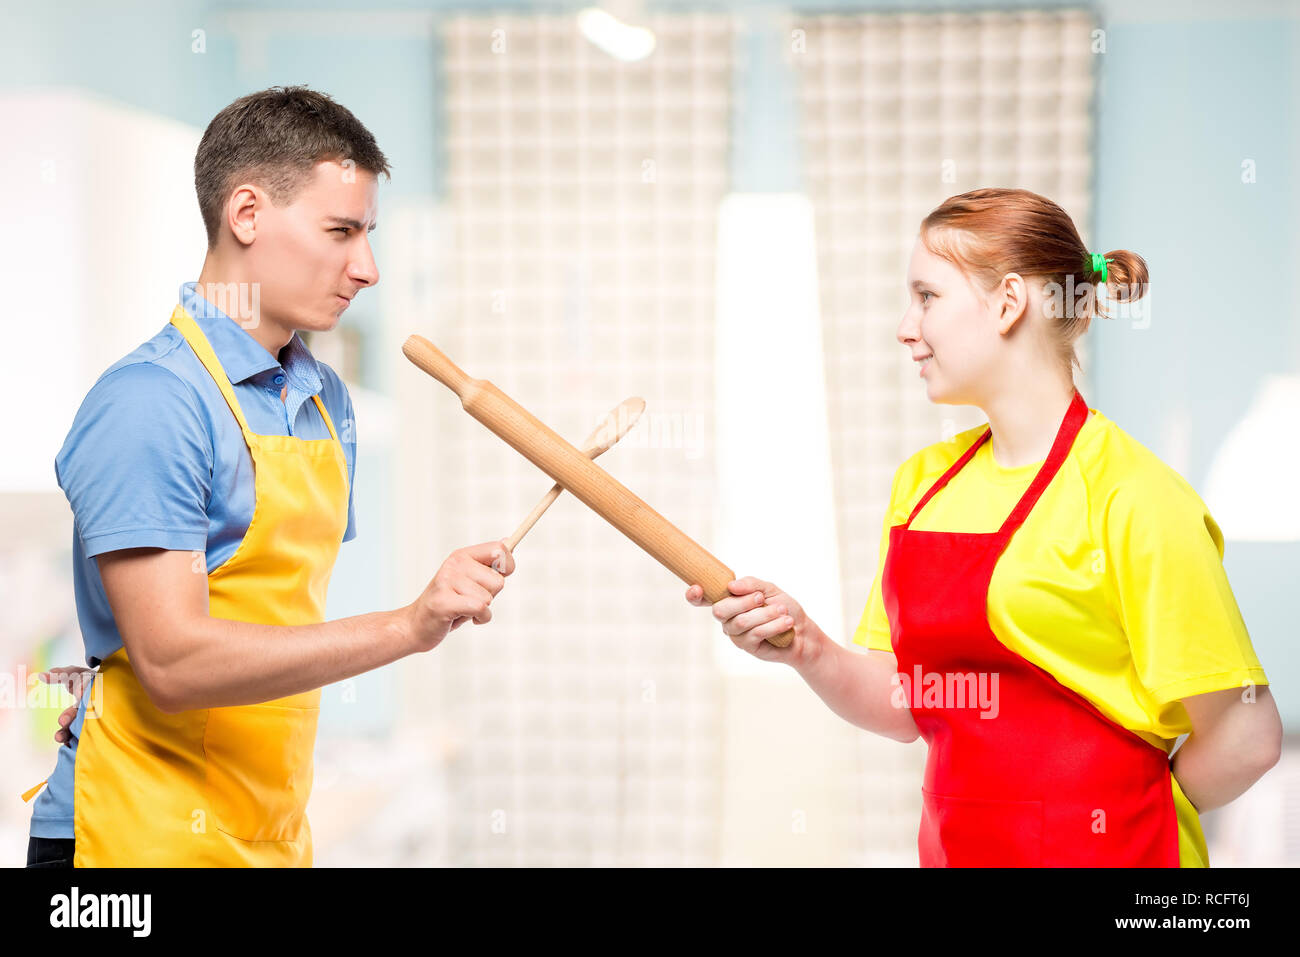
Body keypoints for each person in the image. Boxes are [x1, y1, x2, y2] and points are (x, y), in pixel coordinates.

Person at [687, 187, 1281, 867]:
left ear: (1007, 303)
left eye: (927, 296)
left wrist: (1116, 812)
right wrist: (806, 646)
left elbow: (1246, 734)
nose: (906, 327)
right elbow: (906, 698)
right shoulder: (923, 484)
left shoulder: (1135, 496)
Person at [22, 86, 515, 867]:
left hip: (267, 833)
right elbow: (173, 662)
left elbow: (270, 615)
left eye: (369, 233)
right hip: (130, 840)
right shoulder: (152, 402)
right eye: (341, 231)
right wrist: (409, 625)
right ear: (246, 214)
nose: (369, 267)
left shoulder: (325, 402)